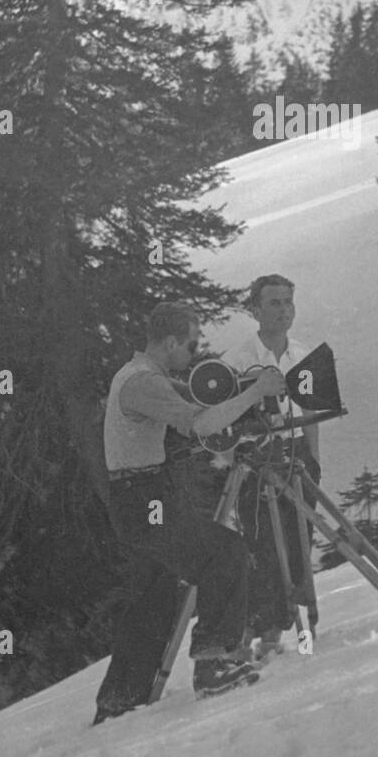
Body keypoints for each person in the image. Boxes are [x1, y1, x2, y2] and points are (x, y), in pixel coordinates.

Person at [93, 301, 284, 724]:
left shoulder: (137, 375)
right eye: (191, 345)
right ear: (171, 341)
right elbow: (201, 423)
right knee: (224, 552)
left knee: (152, 595)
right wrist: (256, 392)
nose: (194, 354)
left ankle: (119, 701)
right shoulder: (144, 381)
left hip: (139, 495)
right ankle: (214, 666)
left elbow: (189, 414)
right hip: (145, 499)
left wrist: (238, 395)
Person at [221, 275, 321, 662]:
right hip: (257, 459)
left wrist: (314, 460)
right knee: (262, 546)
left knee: (299, 543)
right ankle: (256, 630)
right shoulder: (238, 358)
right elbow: (226, 419)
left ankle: (282, 627)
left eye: (288, 302)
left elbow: (311, 411)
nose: (284, 310)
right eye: (275, 303)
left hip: (299, 455)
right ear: (256, 310)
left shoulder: (303, 354)